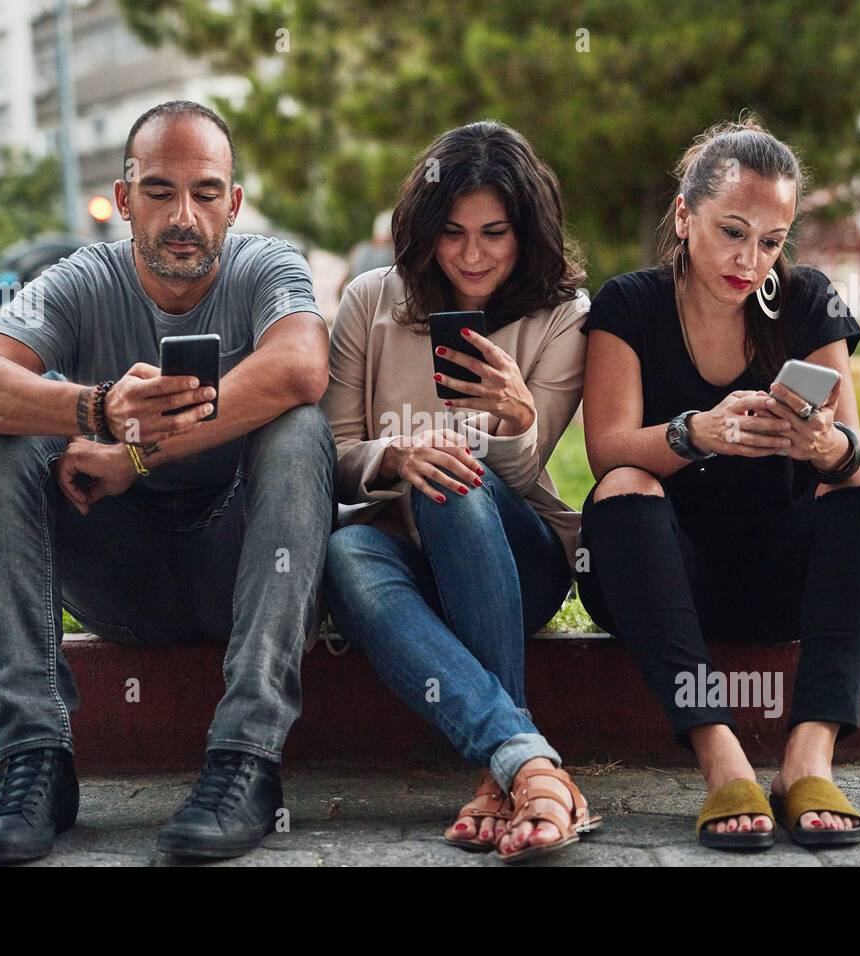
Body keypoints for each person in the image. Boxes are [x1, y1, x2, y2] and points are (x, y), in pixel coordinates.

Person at [0, 100, 334, 864]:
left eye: (206, 192)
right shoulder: (81, 280)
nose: (184, 215)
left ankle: (246, 760)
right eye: (159, 191)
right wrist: (94, 407)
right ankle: (35, 762)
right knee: (3, 434)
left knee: (298, 423)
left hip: (239, 568)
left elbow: (301, 367)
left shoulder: (267, 266)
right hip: (124, 580)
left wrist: (136, 453)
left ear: (234, 203)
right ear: (123, 199)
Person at [576, 118, 860, 850]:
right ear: (686, 217)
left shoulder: (806, 301)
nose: (750, 259)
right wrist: (698, 433)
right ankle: (719, 759)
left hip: (776, 579)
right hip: (657, 576)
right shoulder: (629, 304)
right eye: (732, 231)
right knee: (626, 482)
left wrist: (822, 445)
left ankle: (807, 760)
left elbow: (853, 447)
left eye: (771, 240)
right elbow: (606, 450)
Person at [321, 121, 599, 863]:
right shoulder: (369, 304)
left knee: (456, 476)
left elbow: (523, 473)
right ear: (422, 232)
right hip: (404, 562)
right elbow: (335, 457)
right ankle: (522, 765)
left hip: (516, 560)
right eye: (452, 233)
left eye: (495, 233)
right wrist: (396, 454)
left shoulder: (563, 317)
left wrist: (514, 419)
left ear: (526, 232)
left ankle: (499, 764)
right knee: (346, 550)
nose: (472, 255)